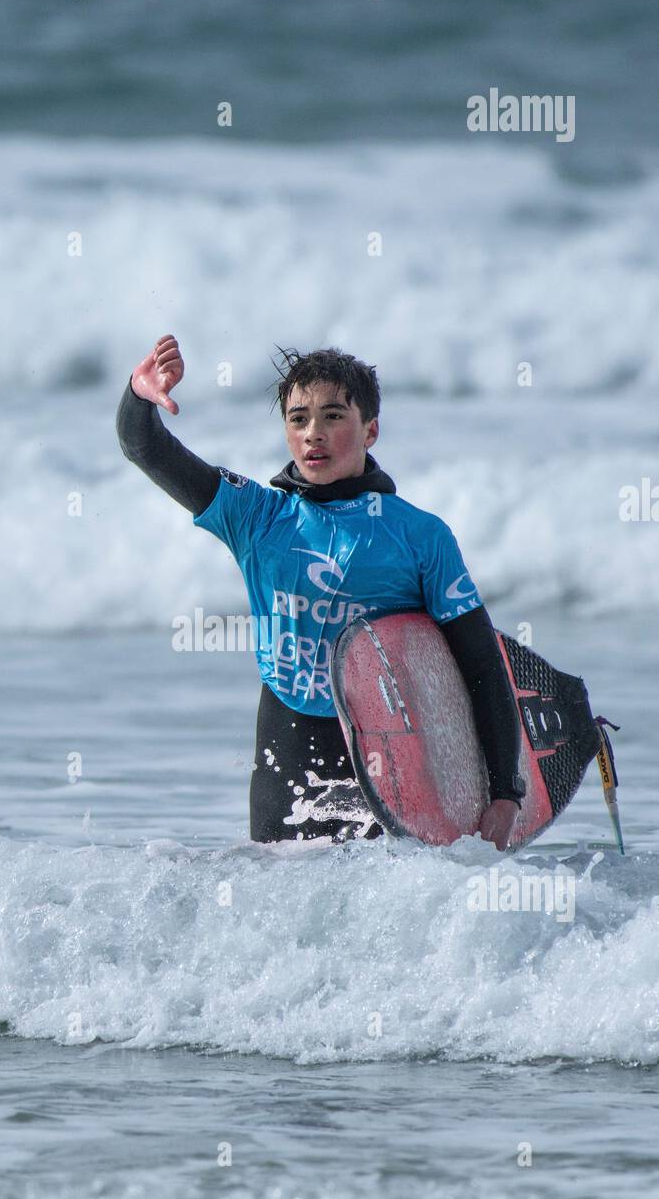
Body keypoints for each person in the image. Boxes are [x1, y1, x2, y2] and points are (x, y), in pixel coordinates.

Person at [116, 334, 525, 849]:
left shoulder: (420, 536)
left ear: (370, 430)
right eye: (298, 418)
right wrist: (139, 394)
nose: (314, 433)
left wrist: (506, 792)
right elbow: (143, 447)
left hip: (394, 752)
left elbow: (480, 663)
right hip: (286, 742)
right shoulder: (257, 516)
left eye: (333, 416)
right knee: (276, 909)